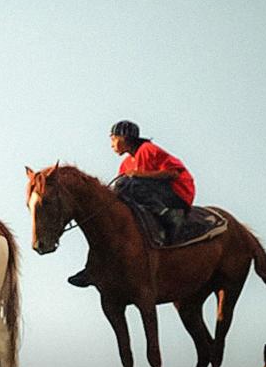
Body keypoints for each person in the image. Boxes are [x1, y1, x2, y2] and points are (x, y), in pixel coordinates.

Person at [67, 120, 196, 288]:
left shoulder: (149, 150)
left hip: (177, 193)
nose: (112, 144)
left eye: (113, 139)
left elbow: (172, 173)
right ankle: (92, 269)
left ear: (125, 138)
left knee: (130, 183)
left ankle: (168, 215)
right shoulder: (126, 163)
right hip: (150, 194)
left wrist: (140, 175)